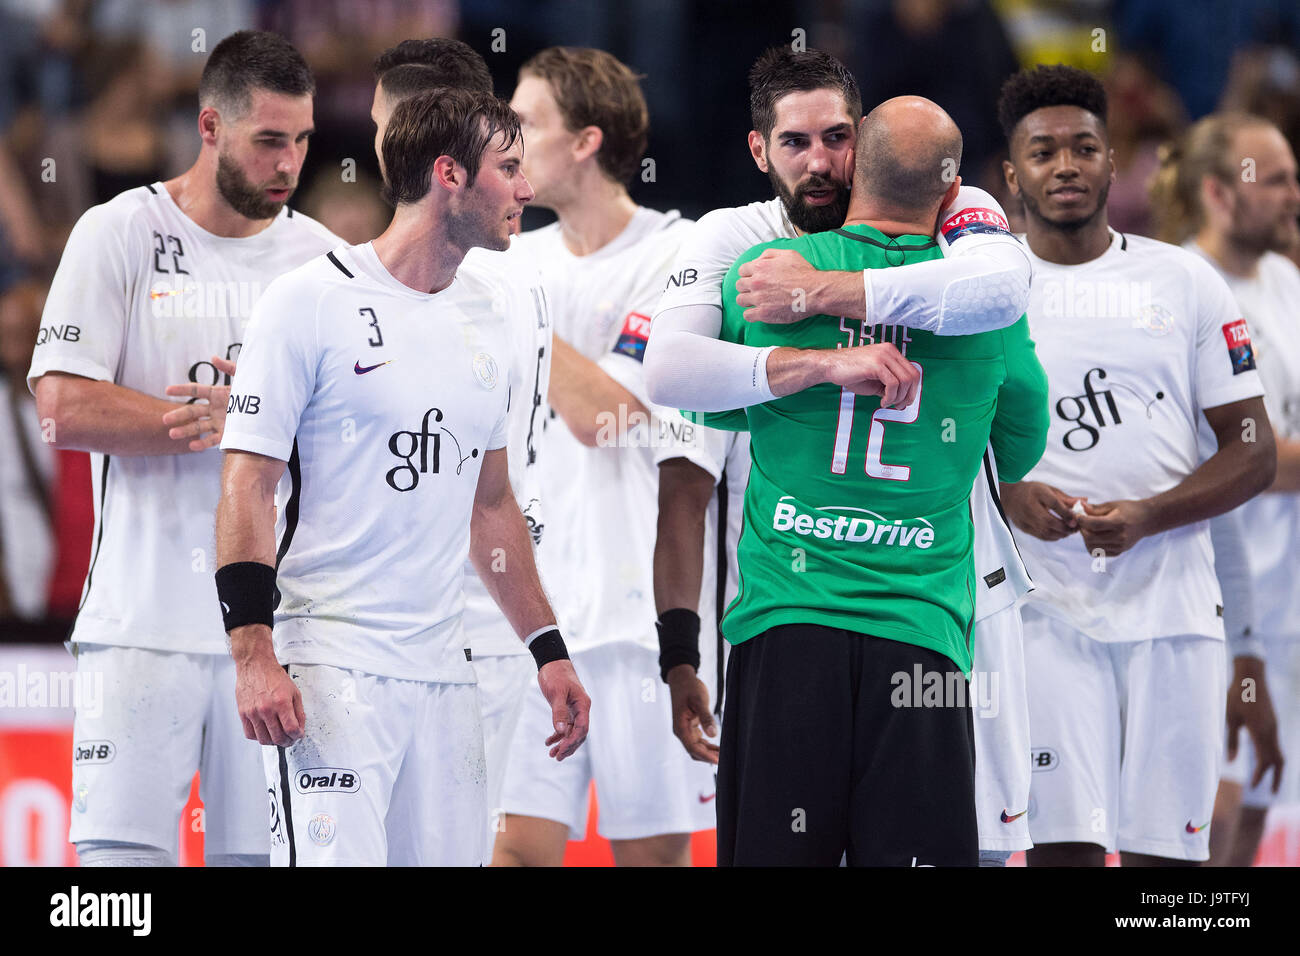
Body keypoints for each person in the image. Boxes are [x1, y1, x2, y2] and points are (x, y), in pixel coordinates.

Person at [645, 46, 1041, 866]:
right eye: (797, 143)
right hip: (922, 622)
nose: (820, 162)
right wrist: (835, 363)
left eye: (837, 139)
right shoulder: (739, 237)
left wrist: (820, 316)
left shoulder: (764, 279)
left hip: (793, 615)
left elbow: (704, 395)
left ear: (861, 145)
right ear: (760, 151)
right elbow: (1022, 433)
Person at [215, 87, 589, 867]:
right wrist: (253, 654)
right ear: (449, 174)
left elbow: (491, 506)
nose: (527, 189)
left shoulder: (493, 314)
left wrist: (547, 647)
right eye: (510, 167)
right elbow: (246, 485)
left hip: (445, 674)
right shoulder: (306, 301)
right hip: (329, 665)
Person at [26, 30, 340, 868]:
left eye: (303, 141)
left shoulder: (325, 265)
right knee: (118, 881)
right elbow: (58, 403)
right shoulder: (118, 232)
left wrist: (262, 414)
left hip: (274, 634)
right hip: (141, 624)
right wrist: (201, 424)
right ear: (209, 127)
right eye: (269, 140)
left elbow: (355, 436)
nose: (289, 163)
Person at [996, 64, 1277, 867]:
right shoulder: (985, 290)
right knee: (1065, 856)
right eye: (1043, 153)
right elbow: (944, 439)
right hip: (1041, 614)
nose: (1067, 166)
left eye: (1084, 148)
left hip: (1174, 616)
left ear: (1114, 162)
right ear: (1012, 175)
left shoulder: (1183, 279)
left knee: (1168, 870)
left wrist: (1151, 514)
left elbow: (1252, 449)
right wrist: (1009, 494)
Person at [489, 47, 715, 868]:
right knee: (511, 852)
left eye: (526, 122)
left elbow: (611, 416)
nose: (505, 139)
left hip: (633, 616)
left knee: (650, 861)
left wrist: (506, 312)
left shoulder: (680, 254)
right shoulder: (511, 259)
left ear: (585, 141)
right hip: (527, 613)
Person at [369, 37, 556, 856]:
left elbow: (459, 476)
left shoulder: (471, 278)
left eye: (383, 126)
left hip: (447, 616)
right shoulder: (511, 269)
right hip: (475, 620)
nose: (377, 148)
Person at [1150, 111, 1297, 865]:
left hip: (1291, 597)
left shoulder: (1284, 280)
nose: (1294, 195)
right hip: (1223, 595)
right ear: (1219, 191)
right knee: (1216, 811)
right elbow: (1245, 452)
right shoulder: (1182, 288)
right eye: (1274, 180)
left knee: (1265, 803)